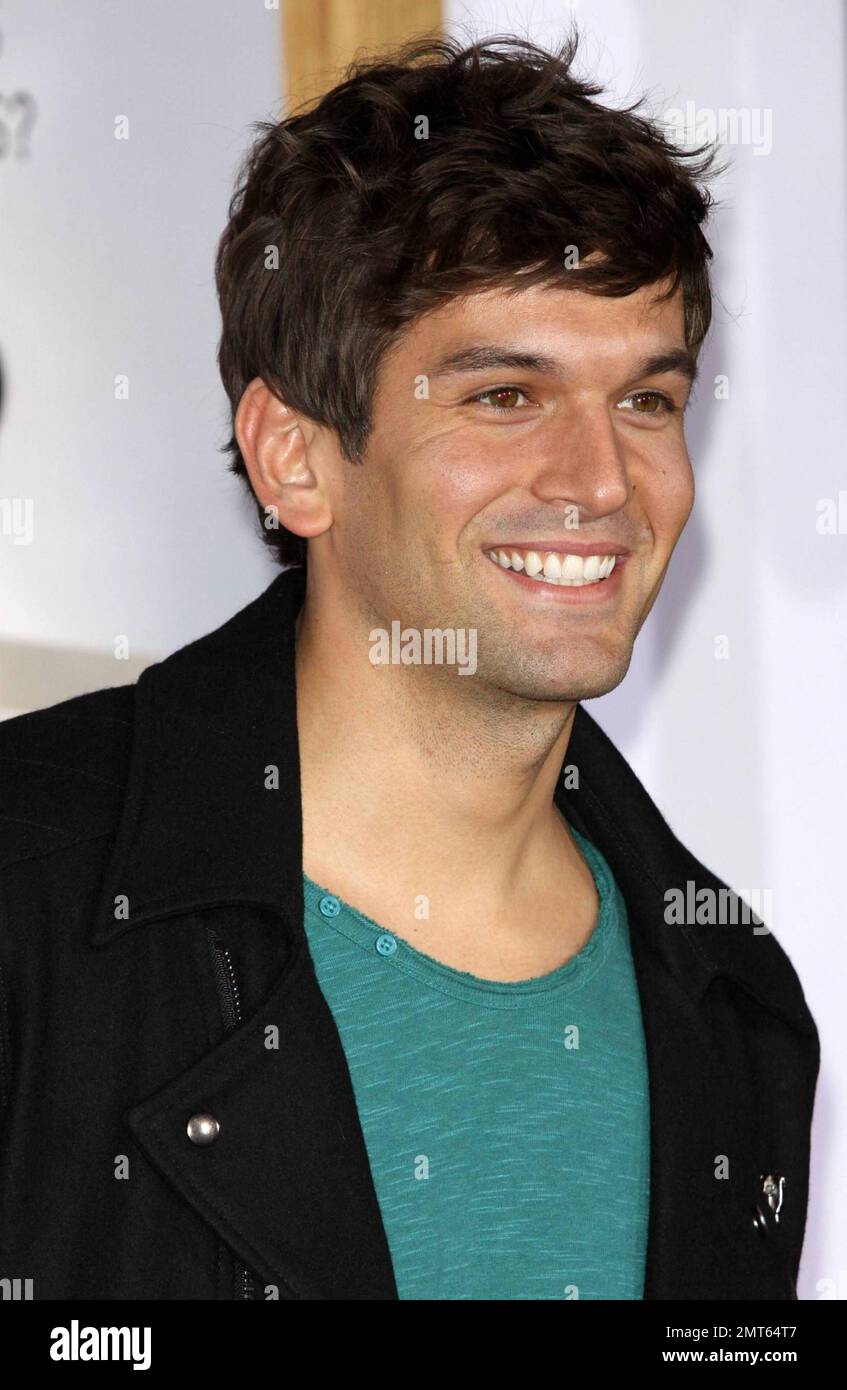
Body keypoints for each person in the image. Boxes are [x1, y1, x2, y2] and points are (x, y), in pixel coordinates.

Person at [0, 31, 818, 1301]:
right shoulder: (28, 897)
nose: (602, 481)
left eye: (645, 401)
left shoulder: (733, 1005)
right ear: (296, 459)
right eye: (505, 396)